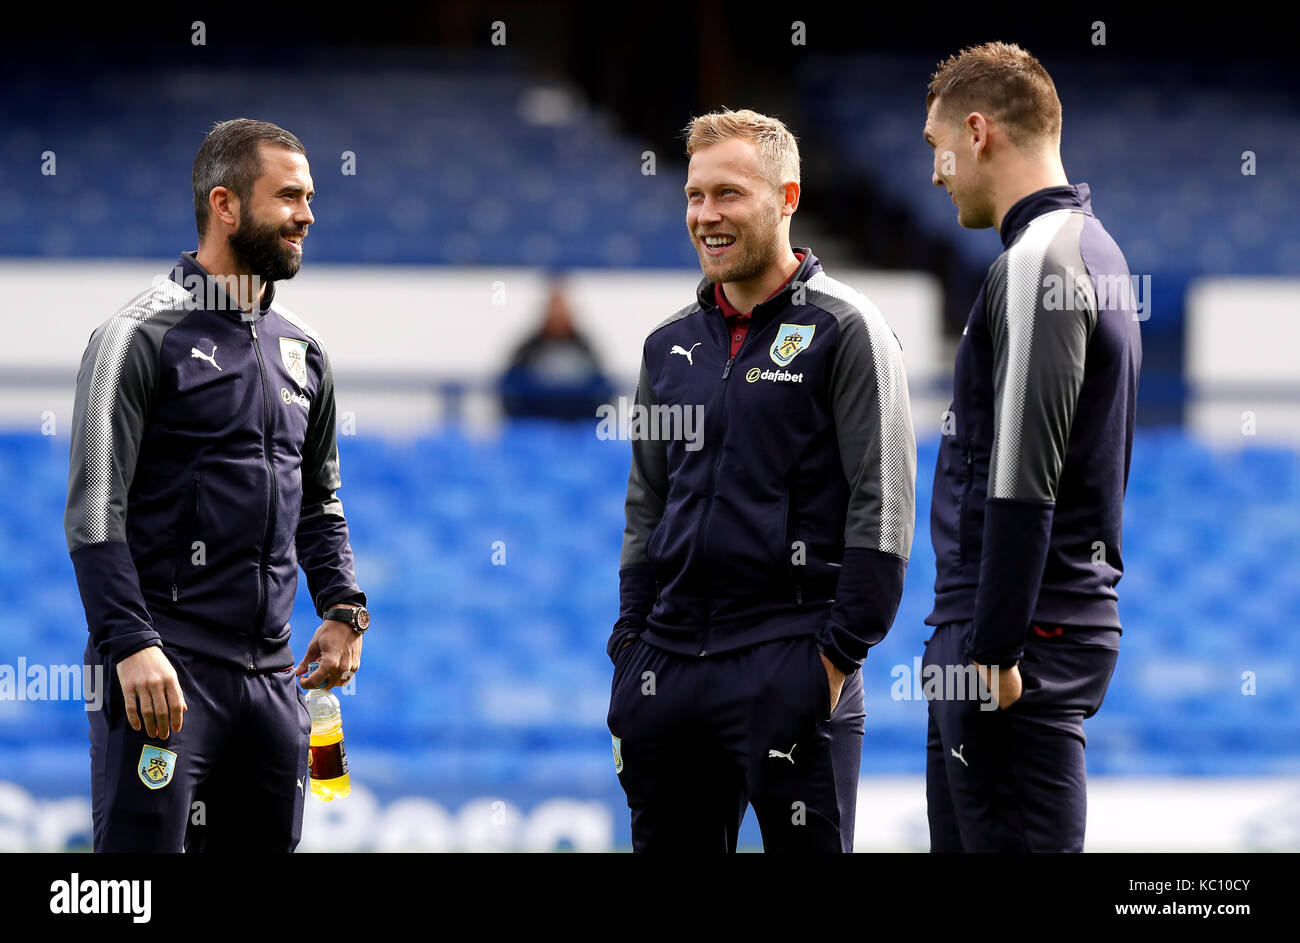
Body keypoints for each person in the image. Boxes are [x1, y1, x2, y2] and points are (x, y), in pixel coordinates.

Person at [607, 108, 917, 852]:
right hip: (669, 668)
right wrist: (630, 647)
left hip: (792, 659)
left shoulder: (849, 328)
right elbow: (647, 504)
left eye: (728, 195)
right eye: (694, 196)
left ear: (787, 197)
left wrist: (834, 658)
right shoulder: (666, 344)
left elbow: (886, 505)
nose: (706, 216)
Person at [64, 118, 370, 853]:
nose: (307, 214)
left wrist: (342, 604)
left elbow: (320, 499)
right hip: (164, 670)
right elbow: (93, 512)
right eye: (289, 196)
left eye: (310, 196)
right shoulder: (135, 336)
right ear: (225, 204)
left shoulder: (305, 349)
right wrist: (132, 644)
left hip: (272, 679)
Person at [920, 43, 1142, 852]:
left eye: (935, 146)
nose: (935, 172)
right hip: (1017, 636)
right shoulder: (1094, 251)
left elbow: (1023, 478)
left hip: (1014, 646)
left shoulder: (1040, 260)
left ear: (977, 132)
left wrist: (994, 647)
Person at [500, 279, 613, 420]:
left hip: (577, 428)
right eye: (554, 309)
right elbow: (509, 387)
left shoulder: (585, 350)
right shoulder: (527, 350)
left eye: (562, 310)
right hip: (536, 426)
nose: (558, 316)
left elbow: (602, 389)